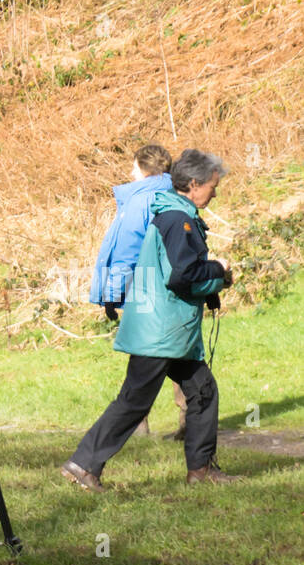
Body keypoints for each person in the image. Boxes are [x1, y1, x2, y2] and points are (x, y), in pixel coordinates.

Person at [61, 148, 237, 490]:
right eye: (213, 186)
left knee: (202, 391)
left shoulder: (177, 213)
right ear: (195, 183)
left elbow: (178, 270)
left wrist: (211, 280)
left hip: (168, 328)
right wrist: (219, 271)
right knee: (135, 400)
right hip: (160, 329)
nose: (215, 192)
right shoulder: (177, 219)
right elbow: (182, 275)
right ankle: (83, 465)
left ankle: (201, 471)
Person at [91, 144, 187, 438]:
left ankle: (137, 423)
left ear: (144, 169)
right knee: (177, 350)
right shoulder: (172, 194)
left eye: (133, 166)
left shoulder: (140, 200)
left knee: (144, 353)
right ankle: (188, 421)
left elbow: (127, 252)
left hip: (144, 284)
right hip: (170, 283)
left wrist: (111, 294)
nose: (130, 172)